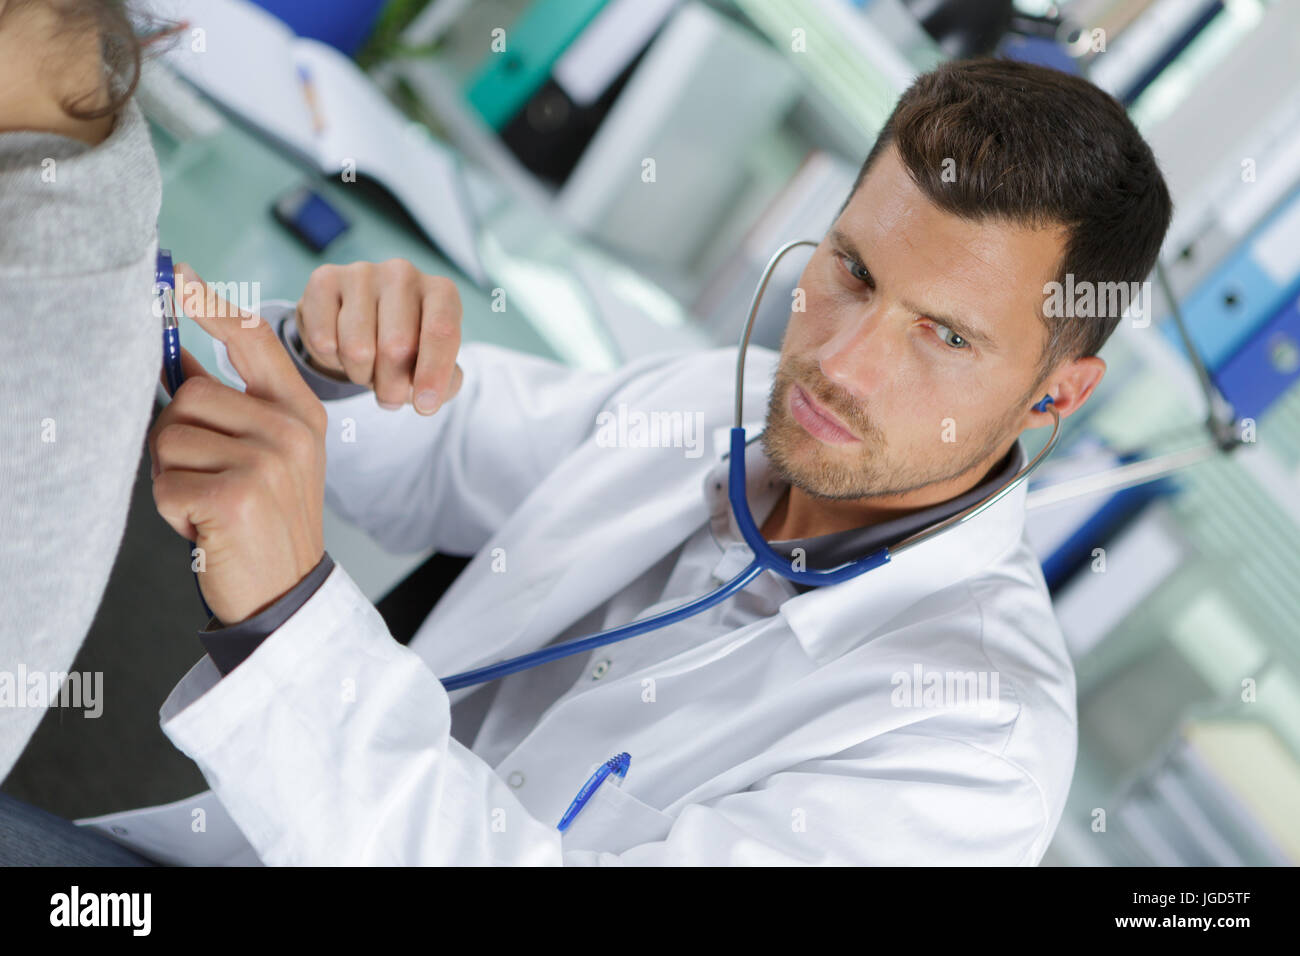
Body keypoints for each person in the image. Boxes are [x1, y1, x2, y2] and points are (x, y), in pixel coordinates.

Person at [108, 55, 1172, 865]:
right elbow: (435, 453)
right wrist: (338, 358)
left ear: (1054, 394)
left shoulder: (971, 747)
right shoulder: (725, 401)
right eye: (849, 268)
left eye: (942, 335)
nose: (841, 362)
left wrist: (291, 620)